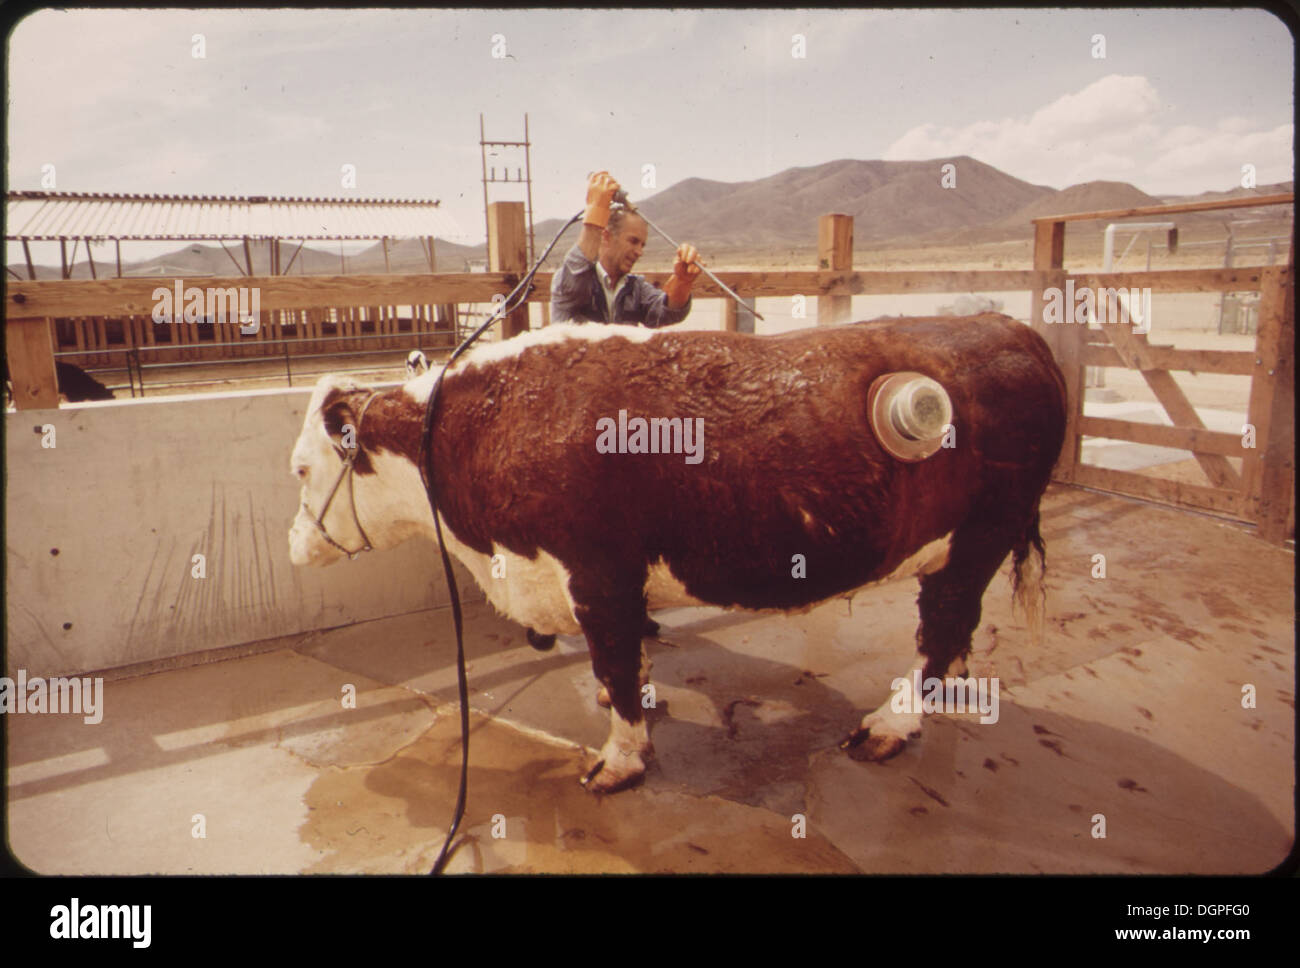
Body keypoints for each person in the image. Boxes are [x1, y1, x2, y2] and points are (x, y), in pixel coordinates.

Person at [550, 171, 701, 327]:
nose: (639, 252)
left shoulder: (636, 288)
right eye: (633, 241)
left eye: (642, 245)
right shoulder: (569, 281)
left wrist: (683, 281)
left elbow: (665, 313)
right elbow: (576, 272)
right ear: (606, 236)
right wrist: (596, 211)